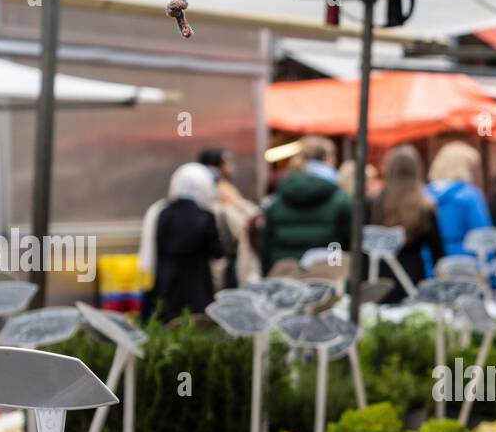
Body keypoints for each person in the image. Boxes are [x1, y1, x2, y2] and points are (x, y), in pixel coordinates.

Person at [142, 163, 224, 321]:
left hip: (165, 283)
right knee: (196, 329)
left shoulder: (162, 213)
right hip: (197, 286)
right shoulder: (205, 216)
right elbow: (216, 251)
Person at [259, 134, 352, 271]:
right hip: (328, 275)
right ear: (327, 158)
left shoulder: (277, 199)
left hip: (285, 276)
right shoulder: (341, 199)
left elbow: (266, 245)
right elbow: (346, 243)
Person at [368, 144, 444, 286]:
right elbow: (437, 251)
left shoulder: (373, 202)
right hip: (411, 277)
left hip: (377, 278)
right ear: (417, 169)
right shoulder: (425, 205)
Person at [198, 147, 260, 287]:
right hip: (227, 252)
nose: (232, 165)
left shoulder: (223, 187)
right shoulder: (220, 190)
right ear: (216, 166)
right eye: (227, 161)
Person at [426, 140, 492, 257]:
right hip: (466, 264)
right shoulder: (469, 195)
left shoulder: (425, 194)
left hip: (432, 263)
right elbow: (484, 237)